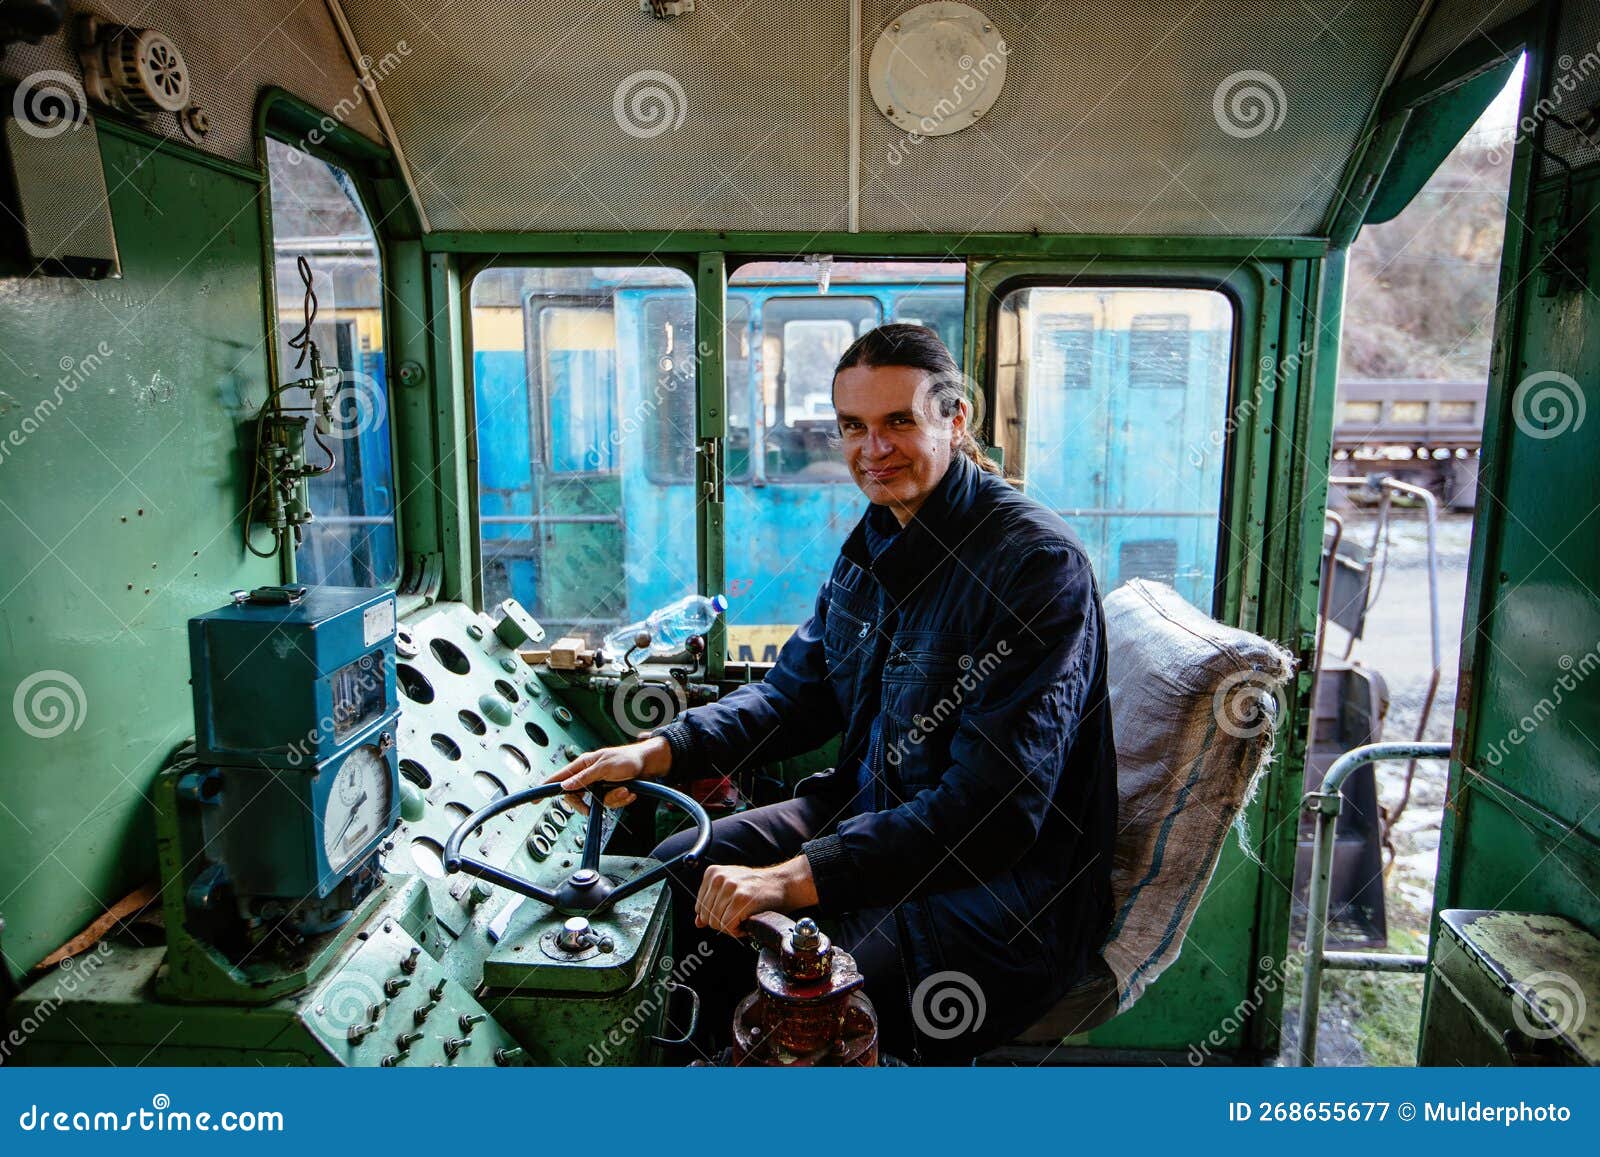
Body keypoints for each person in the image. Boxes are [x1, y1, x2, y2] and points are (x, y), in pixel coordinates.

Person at [545, 324, 1117, 1064]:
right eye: (854, 427)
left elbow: (992, 813)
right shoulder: (877, 537)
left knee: (810, 997)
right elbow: (793, 695)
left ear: (955, 420)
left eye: (898, 422)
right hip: (868, 815)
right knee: (675, 868)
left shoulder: (1033, 566)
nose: (872, 449)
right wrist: (659, 750)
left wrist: (791, 878)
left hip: (1001, 896)